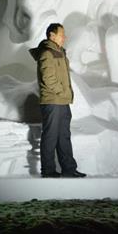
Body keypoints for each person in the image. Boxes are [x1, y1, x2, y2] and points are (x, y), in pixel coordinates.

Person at [30, 23, 85, 178]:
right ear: (52, 36)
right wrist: (62, 91)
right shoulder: (47, 53)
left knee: (64, 137)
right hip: (53, 101)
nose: (64, 37)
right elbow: (48, 78)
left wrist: (66, 95)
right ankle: (48, 171)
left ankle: (69, 169)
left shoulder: (60, 52)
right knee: (50, 136)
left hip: (62, 101)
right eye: (62, 34)